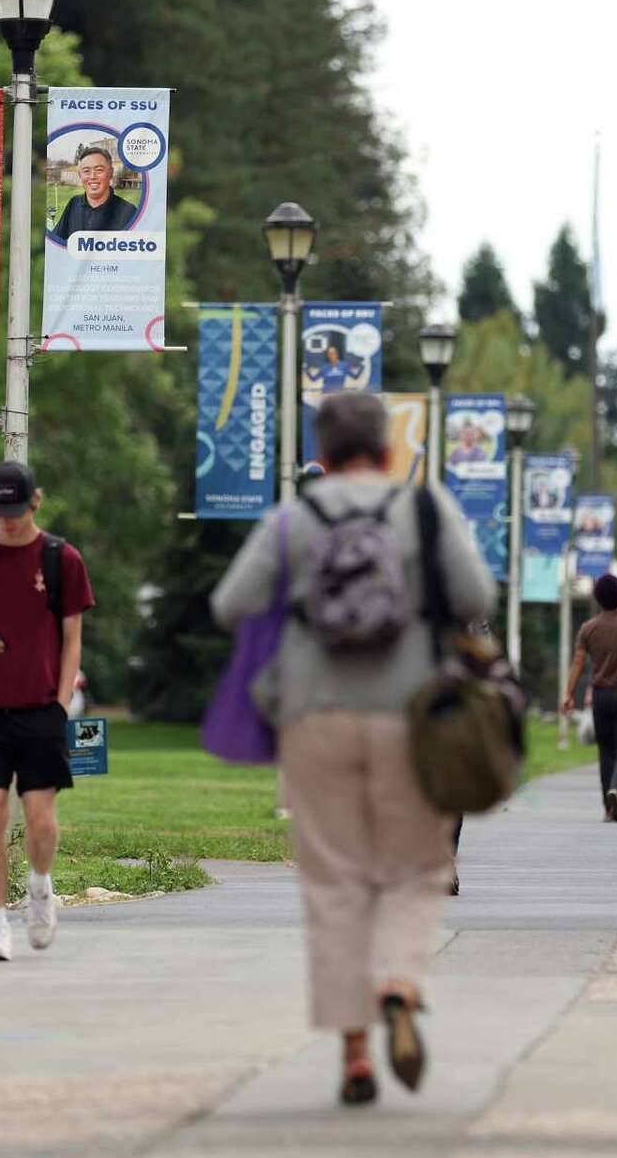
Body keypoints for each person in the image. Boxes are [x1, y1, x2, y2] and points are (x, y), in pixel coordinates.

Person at [211, 392, 495, 1108]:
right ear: (387, 448)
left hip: (315, 714)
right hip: (412, 714)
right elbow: (474, 592)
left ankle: (356, 1055)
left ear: (325, 451)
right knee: (413, 865)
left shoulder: (295, 516)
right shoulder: (425, 508)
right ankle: (399, 981)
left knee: (336, 881)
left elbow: (230, 603)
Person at [0, 462, 96, 963]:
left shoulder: (60, 559)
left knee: (42, 821)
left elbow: (72, 640)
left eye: (12, 511)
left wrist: (61, 700)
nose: (4, 521)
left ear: (35, 503)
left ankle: (40, 886)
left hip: (41, 706)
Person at [561, 573, 617, 823]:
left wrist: (569, 695)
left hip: (600, 695)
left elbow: (578, 663)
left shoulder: (588, 628)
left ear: (598, 599)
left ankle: (608, 808)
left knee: (606, 750)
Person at [50, 143, 137, 238]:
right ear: (80, 175)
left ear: (111, 173)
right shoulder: (74, 203)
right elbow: (55, 242)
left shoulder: (129, 212)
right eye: (86, 171)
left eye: (99, 170)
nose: (92, 176)